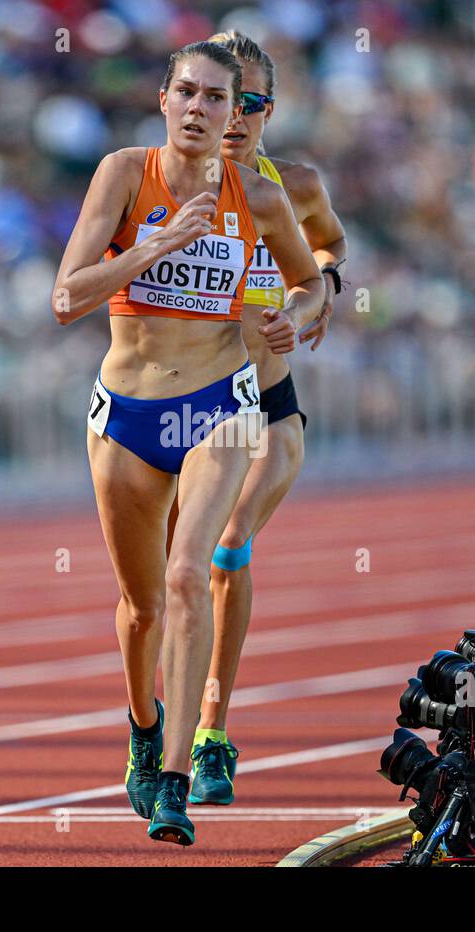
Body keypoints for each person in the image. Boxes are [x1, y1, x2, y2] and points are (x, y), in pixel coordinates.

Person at [51, 40, 325, 845]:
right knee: (140, 610)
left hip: (222, 406)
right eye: (190, 93)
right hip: (129, 415)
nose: (204, 110)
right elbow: (66, 297)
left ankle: (174, 779)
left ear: (240, 112)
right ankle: (144, 725)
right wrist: (155, 246)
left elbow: (311, 280)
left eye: (221, 99)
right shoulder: (124, 174)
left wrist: (297, 316)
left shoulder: (261, 196)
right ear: (164, 100)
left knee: (186, 574)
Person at [178, 31, 348, 807]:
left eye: (248, 104)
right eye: (219, 99)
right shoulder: (168, 181)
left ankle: (214, 729)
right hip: (189, 407)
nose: (234, 118)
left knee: (228, 547)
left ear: (267, 110)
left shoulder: (295, 186)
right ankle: (157, 736)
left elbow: (329, 251)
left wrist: (318, 295)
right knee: (165, 583)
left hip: (269, 403)